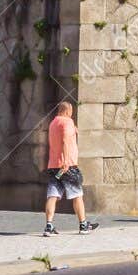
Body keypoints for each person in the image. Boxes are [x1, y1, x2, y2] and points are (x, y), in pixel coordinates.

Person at [44, 99, 99, 236]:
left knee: (53, 194)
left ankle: (49, 226)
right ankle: (83, 225)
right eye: (71, 113)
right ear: (67, 111)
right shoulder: (67, 121)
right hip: (67, 166)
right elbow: (64, 141)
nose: (71, 115)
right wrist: (66, 160)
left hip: (54, 166)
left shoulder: (53, 123)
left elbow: (61, 136)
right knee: (77, 195)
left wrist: (73, 131)